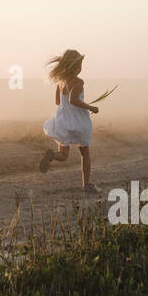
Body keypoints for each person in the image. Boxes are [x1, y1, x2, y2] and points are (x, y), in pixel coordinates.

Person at [40, 49, 100, 193]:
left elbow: (57, 101)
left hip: (62, 118)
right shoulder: (78, 82)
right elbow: (73, 100)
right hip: (77, 119)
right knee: (84, 152)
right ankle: (86, 186)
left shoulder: (60, 81)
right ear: (76, 66)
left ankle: (52, 156)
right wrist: (91, 107)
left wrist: (66, 105)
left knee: (63, 155)